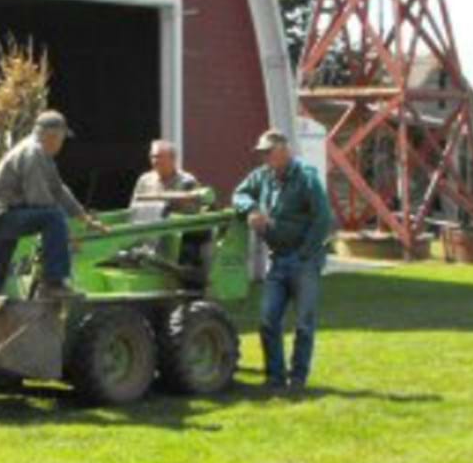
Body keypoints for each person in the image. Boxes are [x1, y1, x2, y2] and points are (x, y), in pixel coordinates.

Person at [0, 110, 108, 360]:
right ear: (52, 136)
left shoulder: (39, 154)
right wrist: (64, 233)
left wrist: (84, 217)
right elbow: (40, 201)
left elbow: (58, 189)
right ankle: (54, 282)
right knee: (53, 217)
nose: (62, 144)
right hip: (1, 216)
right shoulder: (33, 153)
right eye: (62, 139)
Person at [231, 128, 333, 394]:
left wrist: (305, 253)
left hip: (304, 260)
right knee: (268, 321)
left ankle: (298, 378)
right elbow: (239, 194)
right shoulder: (262, 176)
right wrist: (252, 209)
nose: (264, 157)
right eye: (262, 153)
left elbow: (324, 218)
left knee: (304, 324)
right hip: (277, 260)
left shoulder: (306, 177)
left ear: (284, 151)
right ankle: (275, 378)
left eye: (268, 152)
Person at [130, 139, 214, 213]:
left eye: (159, 157)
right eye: (153, 157)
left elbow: (193, 211)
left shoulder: (187, 181)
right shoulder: (144, 180)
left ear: (172, 158)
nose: (155, 161)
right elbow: (134, 208)